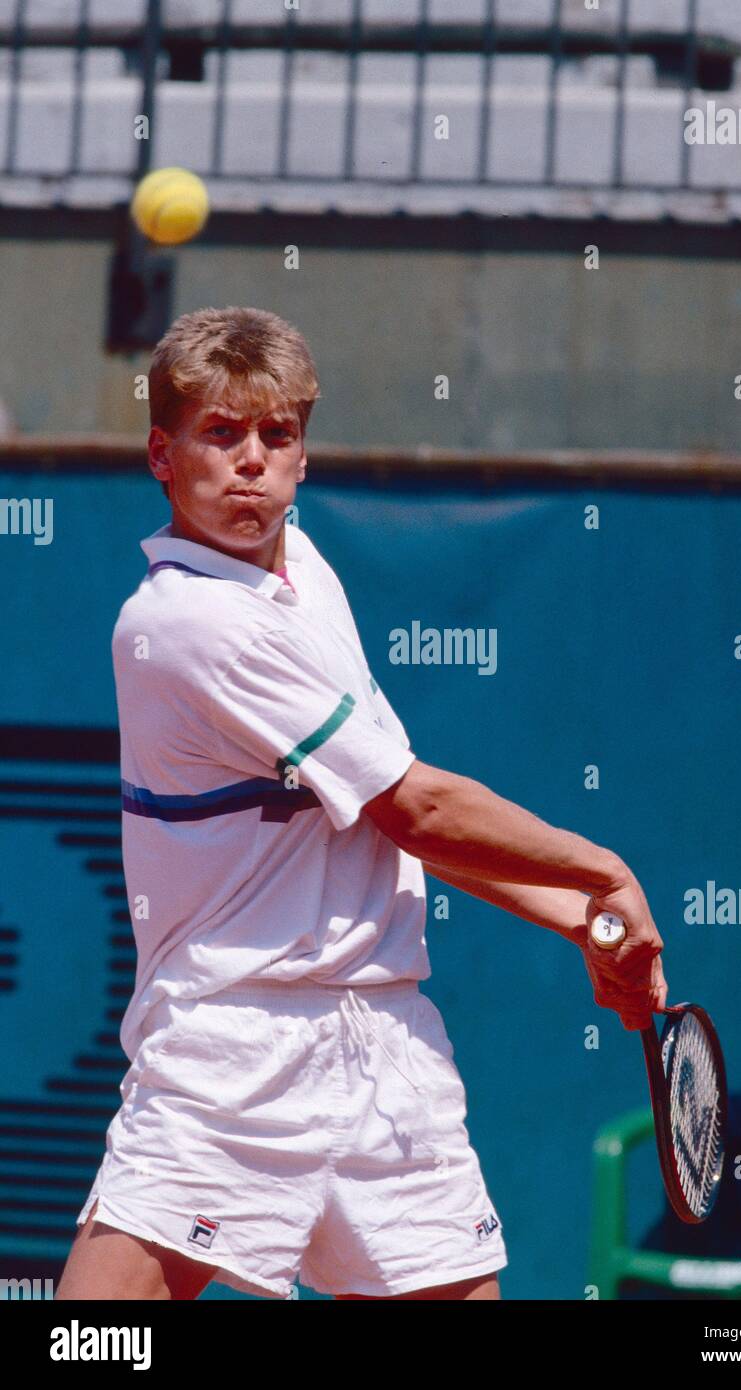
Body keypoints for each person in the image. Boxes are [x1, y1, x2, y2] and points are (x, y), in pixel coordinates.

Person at [57, 306, 666, 1302]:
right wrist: (603, 875)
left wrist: (575, 921)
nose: (251, 461)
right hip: (232, 1047)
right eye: (220, 434)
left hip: (385, 1046)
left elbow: (389, 812)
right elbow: (416, 807)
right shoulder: (183, 624)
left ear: (302, 452)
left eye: (275, 435)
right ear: (162, 454)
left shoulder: (307, 575)